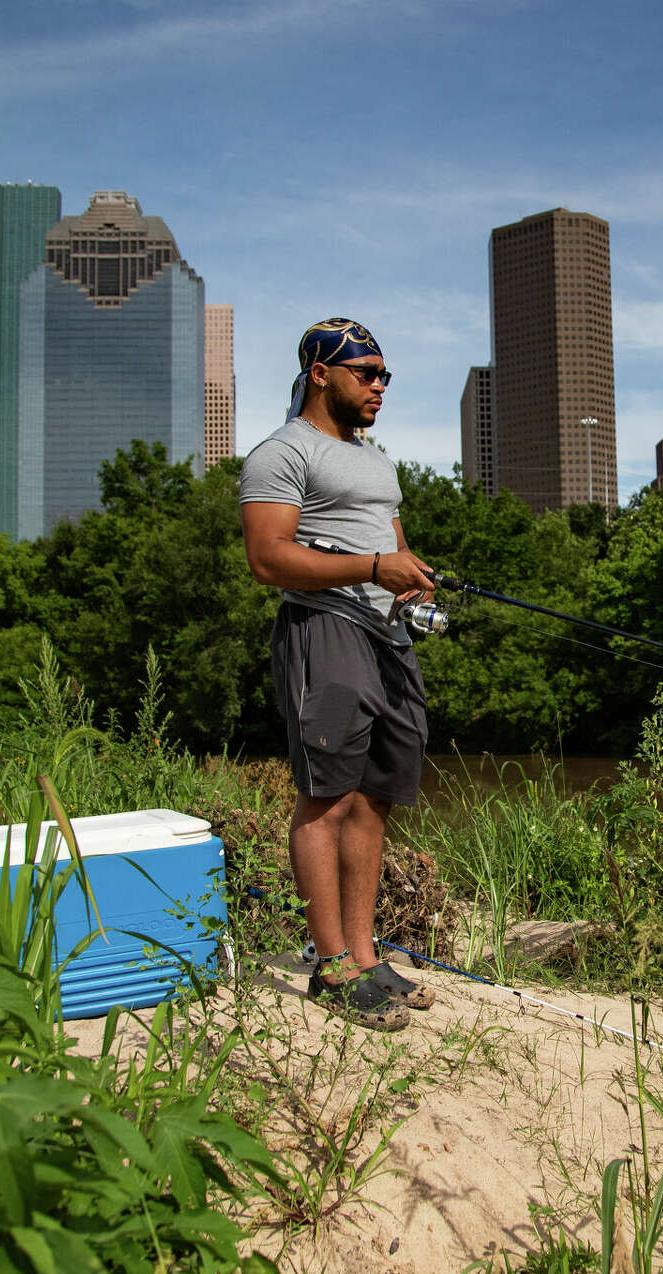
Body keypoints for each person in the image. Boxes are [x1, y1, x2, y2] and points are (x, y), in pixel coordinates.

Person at [238, 317, 437, 1032]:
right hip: (323, 631)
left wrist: (410, 579)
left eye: (385, 375)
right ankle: (330, 967)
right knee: (326, 796)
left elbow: (391, 540)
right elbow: (268, 559)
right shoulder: (281, 453)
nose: (380, 386)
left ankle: (363, 952)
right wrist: (373, 568)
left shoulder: (377, 461)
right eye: (367, 373)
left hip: (389, 639)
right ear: (321, 372)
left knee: (375, 797)